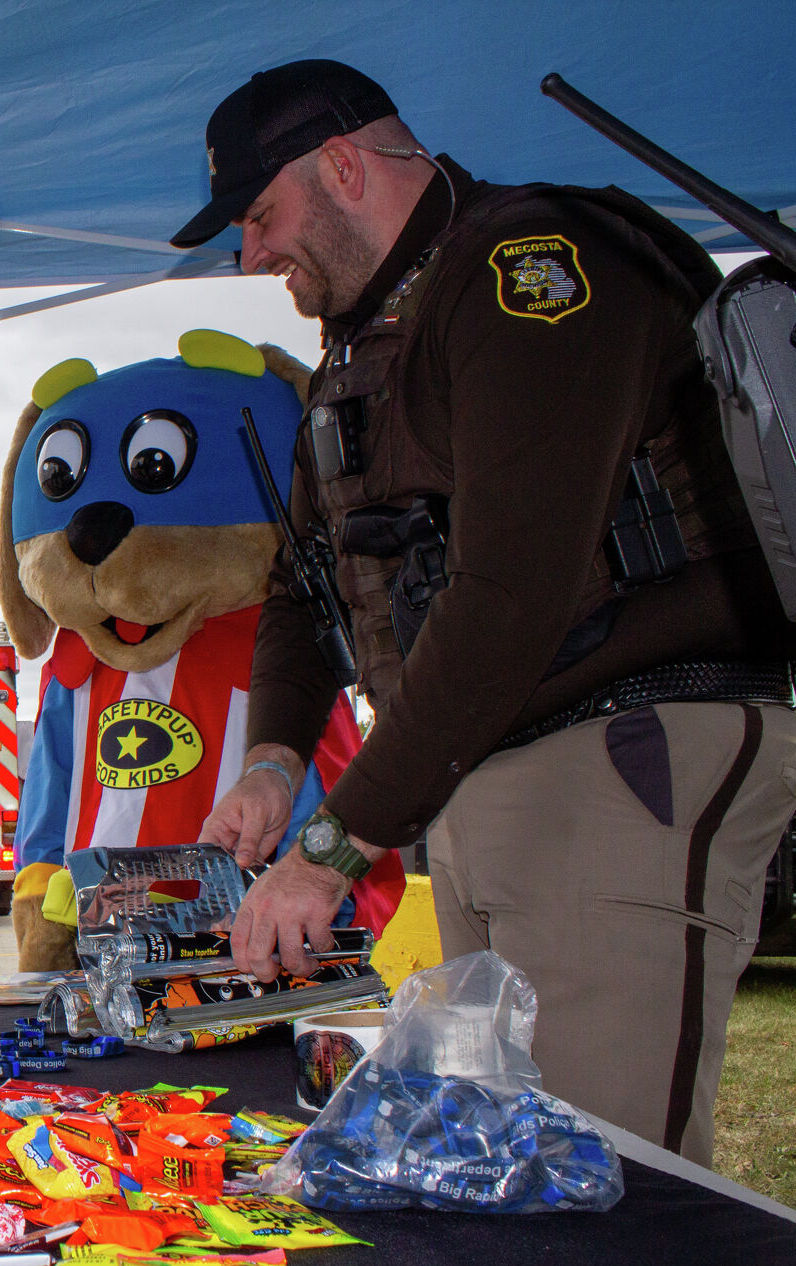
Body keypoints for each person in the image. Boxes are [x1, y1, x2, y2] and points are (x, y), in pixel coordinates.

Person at [177, 60, 796, 1163]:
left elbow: (514, 594)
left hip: (619, 753)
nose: (251, 253)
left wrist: (323, 851)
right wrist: (274, 760)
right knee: (514, 1170)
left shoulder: (532, 272)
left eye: (258, 215)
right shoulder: (366, 344)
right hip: (476, 777)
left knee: (605, 1177)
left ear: (341, 166)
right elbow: (300, 588)